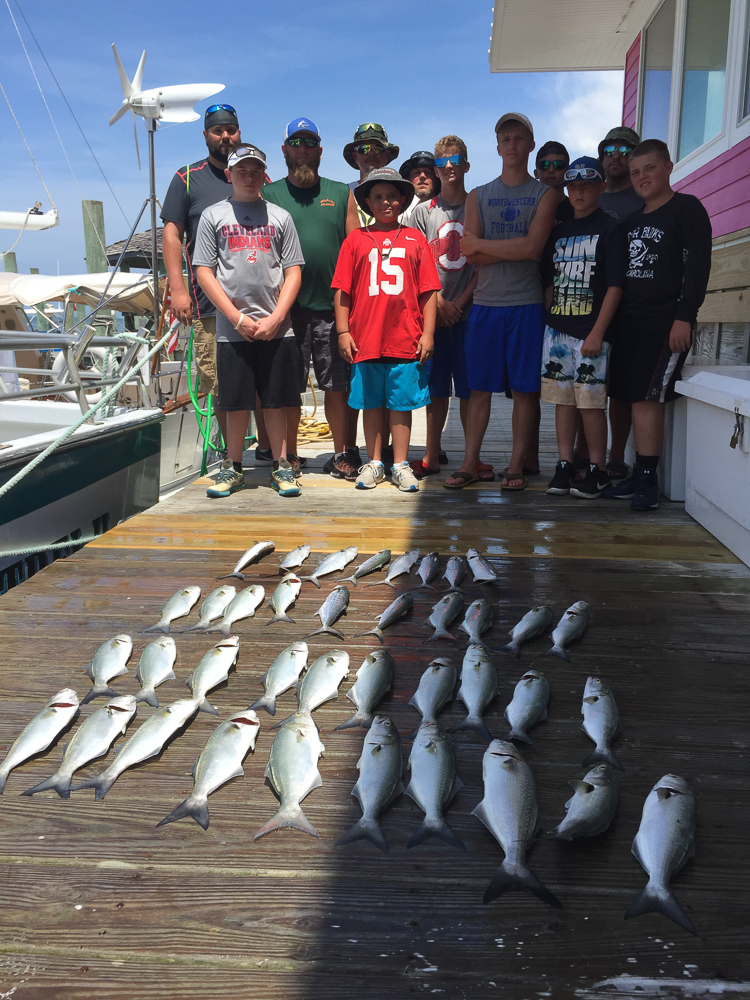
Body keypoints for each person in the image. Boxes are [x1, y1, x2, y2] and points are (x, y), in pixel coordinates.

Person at [445, 112, 558, 490]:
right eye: (505, 138)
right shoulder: (479, 195)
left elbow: (534, 247)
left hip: (526, 305)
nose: (511, 144)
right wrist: (514, 248)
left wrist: (491, 246)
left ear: (529, 145)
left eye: (519, 138)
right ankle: (469, 462)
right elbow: (470, 255)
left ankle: (514, 465)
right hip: (486, 305)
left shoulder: (545, 194)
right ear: (497, 147)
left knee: (525, 390)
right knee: (478, 389)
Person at [602, 139, 712, 511]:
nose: (642, 177)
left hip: (665, 322)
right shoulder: (631, 222)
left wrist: (685, 316)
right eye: (635, 172)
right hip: (630, 323)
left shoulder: (686, 208)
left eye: (649, 168)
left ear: (667, 167)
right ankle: (639, 471)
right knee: (632, 396)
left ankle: (648, 479)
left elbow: (697, 268)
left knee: (647, 399)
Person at [193, 145, 305, 499]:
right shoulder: (213, 216)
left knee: (277, 400)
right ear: (229, 174)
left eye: (256, 170)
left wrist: (277, 317)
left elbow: (293, 272)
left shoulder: (281, 217)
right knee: (235, 401)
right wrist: (236, 317)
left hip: (276, 327)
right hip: (232, 329)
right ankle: (233, 467)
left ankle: (282, 466)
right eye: (242, 170)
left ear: (264, 175)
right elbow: (204, 271)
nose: (249, 176)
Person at [263, 118, 361, 480]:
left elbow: (356, 250)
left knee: (337, 386)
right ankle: (288, 455)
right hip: (284, 310)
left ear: (320, 150)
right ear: (285, 149)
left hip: (332, 309)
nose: (302, 149)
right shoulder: (269, 194)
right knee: (288, 388)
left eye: (309, 143)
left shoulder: (340, 192)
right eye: (296, 143)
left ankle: (340, 453)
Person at [332, 167, 441, 492]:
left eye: (392, 196)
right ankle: (375, 461)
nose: (386, 202)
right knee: (371, 403)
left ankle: (400, 464)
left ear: (403, 200)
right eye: (378, 197)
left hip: (405, 339)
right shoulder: (356, 240)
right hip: (365, 340)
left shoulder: (415, 238)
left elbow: (428, 291)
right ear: (368, 202)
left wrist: (428, 333)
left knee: (401, 404)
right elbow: (342, 289)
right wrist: (343, 331)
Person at [161, 104, 243, 447]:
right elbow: (171, 234)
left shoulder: (256, 175)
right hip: (207, 304)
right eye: (217, 130)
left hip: (255, 302)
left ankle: (264, 450)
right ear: (206, 135)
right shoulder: (187, 177)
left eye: (231, 130)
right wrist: (178, 290)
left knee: (255, 379)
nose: (225, 136)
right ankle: (229, 453)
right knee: (218, 382)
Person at [540, 157, 623, 499]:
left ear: (601, 187)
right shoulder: (558, 231)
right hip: (557, 330)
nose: (579, 192)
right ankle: (563, 465)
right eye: (572, 186)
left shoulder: (611, 227)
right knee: (562, 400)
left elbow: (616, 286)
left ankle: (597, 470)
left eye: (587, 185)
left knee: (590, 403)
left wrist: (598, 333)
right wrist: (549, 321)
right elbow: (548, 280)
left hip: (592, 332)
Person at [409, 135, 480, 479]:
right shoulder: (423, 212)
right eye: (441, 163)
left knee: (470, 389)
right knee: (436, 389)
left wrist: (460, 303)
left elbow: (483, 264)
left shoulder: (478, 205)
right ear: (436, 170)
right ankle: (432, 454)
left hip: (470, 312)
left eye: (455, 160)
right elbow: (416, 265)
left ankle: (471, 457)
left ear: (466, 165)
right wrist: (438, 302)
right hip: (433, 314)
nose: (449, 167)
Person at [596, 125, 646, 479]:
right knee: (590, 384)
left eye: (626, 150)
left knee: (622, 388)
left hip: (632, 305)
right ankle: (586, 454)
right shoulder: (588, 197)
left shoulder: (644, 200)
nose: (617, 155)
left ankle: (616, 455)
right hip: (589, 304)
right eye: (610, 149)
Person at [344, 123, 400, 226]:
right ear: (355, 156)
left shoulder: (401, 194)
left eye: (377, 148)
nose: (371, 153)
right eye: (364, 149)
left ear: (386, 155)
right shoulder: (344, 194)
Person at [534, 141, 573, 223]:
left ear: (568, 172)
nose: (551, 170)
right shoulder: (526, 210)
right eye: (544, 165)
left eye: (558, 165)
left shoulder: (578, 210)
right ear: (536, 173)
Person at [399, 150, 440, 223]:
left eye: (428, 173)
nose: (422, 176)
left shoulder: (445, 208)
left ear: (436, 179)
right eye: (416, 173)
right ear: (408, 179)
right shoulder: (399, 211)